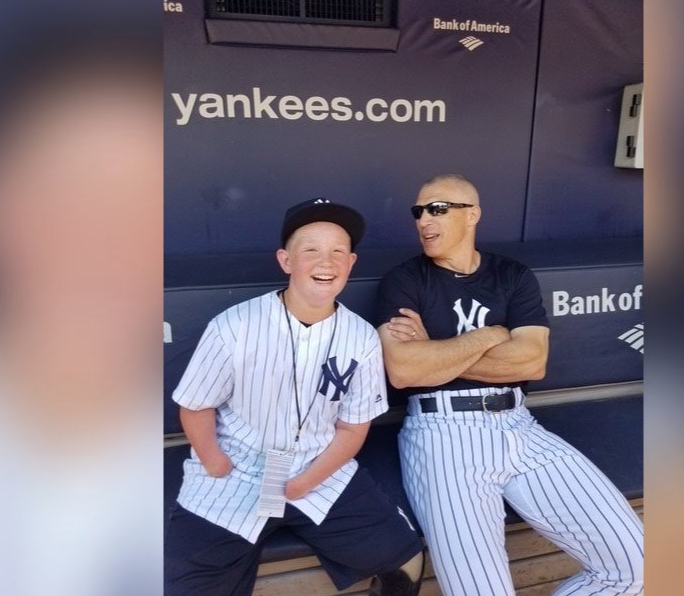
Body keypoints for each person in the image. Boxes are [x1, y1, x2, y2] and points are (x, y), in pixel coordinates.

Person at [375, 174, 644, 596]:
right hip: (442, 437)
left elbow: (532, 361)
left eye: (438, 209)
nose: (424, 219)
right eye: (418, 211)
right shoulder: (405, 280)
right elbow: (407, 370)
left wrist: (438, 350)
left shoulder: (511, 275)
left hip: (520, 426)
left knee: (636, 567)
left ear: (473, 214)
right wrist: (490, 335)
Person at [165, 198, 424, 596]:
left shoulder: (361, 338)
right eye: (312, 250)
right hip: (236, 470)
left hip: (320, 471)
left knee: (406, 561)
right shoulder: (234, 326)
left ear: (351, 263)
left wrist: (307, 480)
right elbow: (195, 405)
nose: (327, 261)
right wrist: (215, 462)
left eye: (338, 251)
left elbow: (353, 428)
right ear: (286, 261)